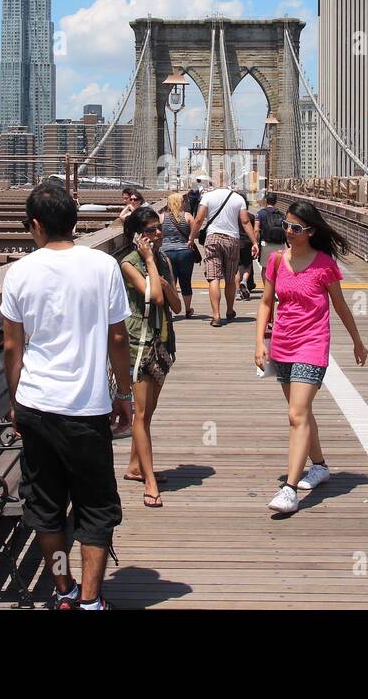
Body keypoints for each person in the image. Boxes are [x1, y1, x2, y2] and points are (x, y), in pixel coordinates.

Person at [1, 182, 133, 610]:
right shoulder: (103, 266)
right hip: (87, 409)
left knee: (45, 507)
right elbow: (118, 337)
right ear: (74, 222)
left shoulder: (18, 272)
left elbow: (10, 347)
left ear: (36, 225)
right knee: (95, 507)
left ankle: (65, 590)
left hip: (37, 406)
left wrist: (15, 400)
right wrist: (124, 393)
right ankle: (91, 602)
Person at [254, 199, 368, 514]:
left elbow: (341, 305)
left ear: (310, 231)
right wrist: (259, 343)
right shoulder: (276, 261)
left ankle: (289, 490)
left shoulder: (324, 265)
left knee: (296, 414)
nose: (287, 231)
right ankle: (319, 466)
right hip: (282, 344)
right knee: (301, 412)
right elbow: (266, 303)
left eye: (295, 228)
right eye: (286, 226)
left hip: (313, 345)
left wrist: (357, 341)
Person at [119, 207, 182, 508]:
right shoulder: (129, 264)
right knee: (141, 416)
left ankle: (134, 467)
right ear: (136, 235)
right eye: (150, 231)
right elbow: (156, 298)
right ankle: (150, 481)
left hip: (162, 342)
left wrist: (159, 274)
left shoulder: (163, 259)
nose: (157, 234)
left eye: (159, 229)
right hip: (139, 345)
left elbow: (177, 305)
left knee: (148, 412)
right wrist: (148, 261)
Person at [187, 171, 257, 327]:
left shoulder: (207, 197)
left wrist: (191, 238)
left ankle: (216, 316)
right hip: (232, 239)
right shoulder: (238, 198)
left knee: (214, 278)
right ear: (228, 181)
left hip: (212, 238)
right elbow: (245, 222)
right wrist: (254, 242)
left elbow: (198, 219)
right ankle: (230, 310)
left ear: (214, 181)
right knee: (230, 279)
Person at [160, 192, 198, 319]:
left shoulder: (162, 217)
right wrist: (190, 239)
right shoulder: (187, 216)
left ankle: (171, 310)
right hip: (185, 252)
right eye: (183, 201)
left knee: (171, 282)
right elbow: (195, 233)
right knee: (185, 281)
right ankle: (187, 309)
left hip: (166, 252)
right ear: (179, 203)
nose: (184, 203)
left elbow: (158, 233)